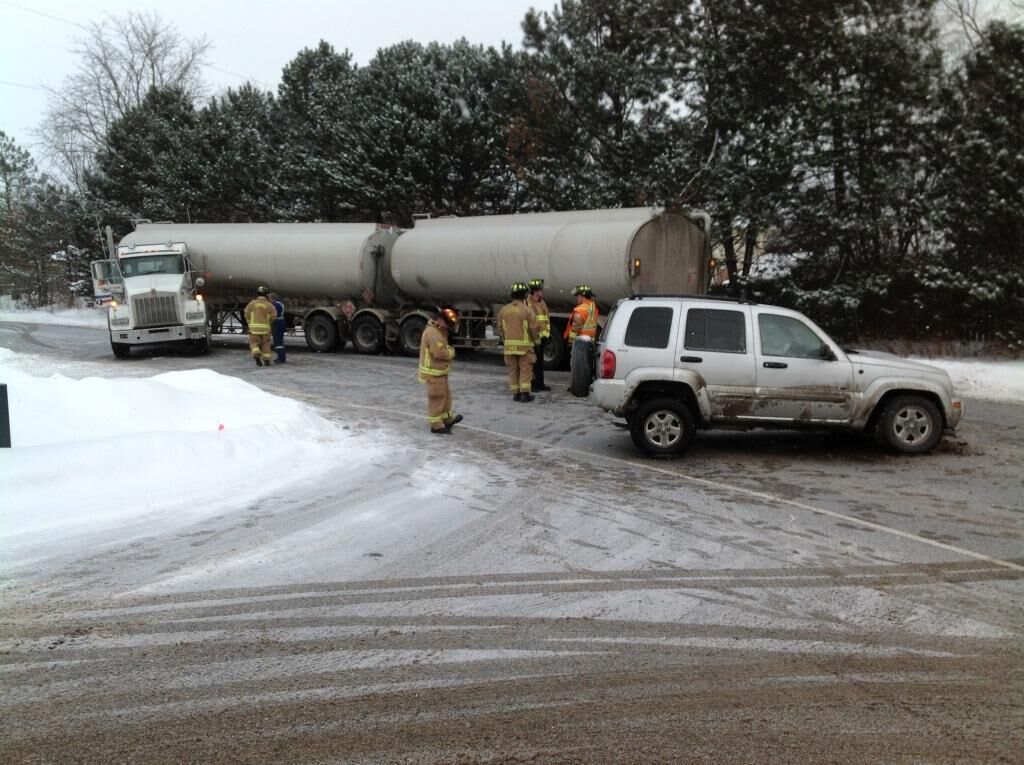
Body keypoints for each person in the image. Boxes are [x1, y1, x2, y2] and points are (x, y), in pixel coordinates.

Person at [418, 306, 463, 435]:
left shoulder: (438, 331)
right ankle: (436, 425)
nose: (448, 327)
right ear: (440, 321)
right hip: (433, 373)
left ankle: (446, 419)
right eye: (447, 324)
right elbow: (439, 352)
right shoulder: (433, 333)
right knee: (437, 398)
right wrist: (451, 353)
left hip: (439, 372)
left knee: (445, 397)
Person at [497, 281, 541, 402]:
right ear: (525, 295)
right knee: (525, 370)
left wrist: (506, 341)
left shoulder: (503, 311)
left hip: (509, 348)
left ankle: (515, 394)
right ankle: (524, 395)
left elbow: (500, 329)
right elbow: (534, 329)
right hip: (525, 348)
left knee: (513, 370)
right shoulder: (527, 311)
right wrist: (537, 343)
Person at [527, 278, 552, 391]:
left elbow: (546, 319)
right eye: (541, 290)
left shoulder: (542, 302)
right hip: (532, 338)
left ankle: (540, 384)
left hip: (542, 338)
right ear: (535, 291)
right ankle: (532, 384)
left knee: (539, 363)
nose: (542, 292)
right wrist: (534, 337)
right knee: (532, 363)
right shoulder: (528, 303)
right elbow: (529, 323)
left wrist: (546, 334)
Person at [244, 286, 277, 367]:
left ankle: (256, 353)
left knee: (254, 343)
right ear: (266, 294)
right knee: (266, 344)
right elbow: (274, 316)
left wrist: (249, 322)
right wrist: (268, 322)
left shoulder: (252, 304)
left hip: (254, 329)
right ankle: (267, 361)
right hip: (265, 329)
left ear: (257, 294)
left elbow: (246, 314)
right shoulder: (269, 305)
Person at [270, 292, 287, 364]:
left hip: (277, 324)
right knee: (280, 341)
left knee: (277, 342)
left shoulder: (275, 305)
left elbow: (273, 315)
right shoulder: (280, 304)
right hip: (281, 323)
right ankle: (282, 357)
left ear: (271, 298)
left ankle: (280, 358)